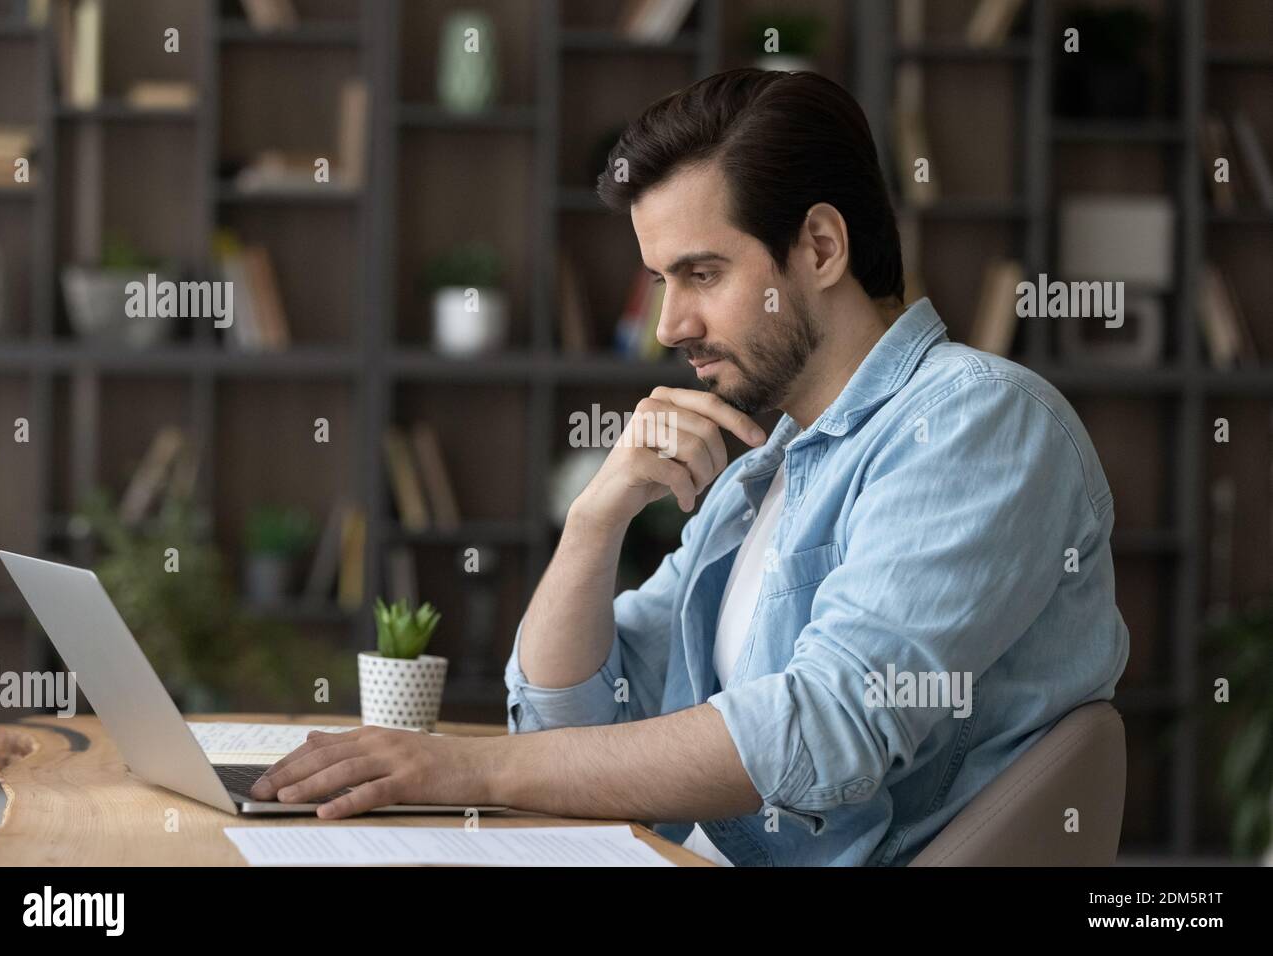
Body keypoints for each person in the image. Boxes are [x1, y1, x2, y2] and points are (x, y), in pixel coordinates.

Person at [252, 69, 1129, 867]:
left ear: (821, 248)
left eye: (701, 273)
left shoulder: (974, 424)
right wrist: (597, 518)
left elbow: (823, 732)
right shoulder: (768, 463)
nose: (669, 325)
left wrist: (465, 770)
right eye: (661, 280)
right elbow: (576, 722)